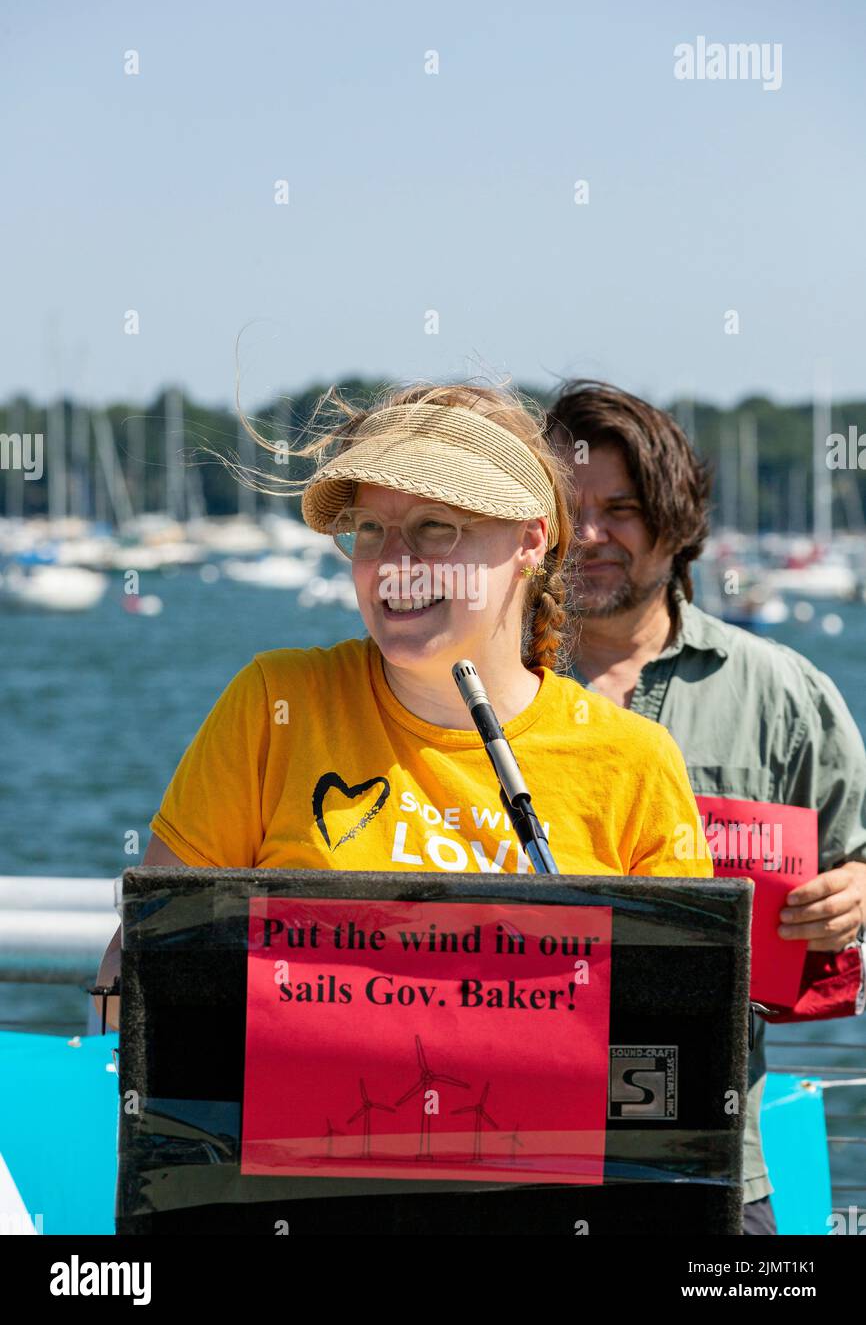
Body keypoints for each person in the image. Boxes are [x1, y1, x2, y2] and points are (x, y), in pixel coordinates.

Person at [94, 381, 712, 1028]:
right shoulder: (276, 705)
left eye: (434, 529)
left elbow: (680, 1029)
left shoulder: (632, 762)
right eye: (369, 530)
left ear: (531, 540)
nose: (394, 563)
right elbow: (142, 955)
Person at [546, 378, 866, 1236]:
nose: (592, 535)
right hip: (507, 1152)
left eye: (621, 508)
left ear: (675, 518)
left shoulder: (784, 691)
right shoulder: (475, 693)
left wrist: (858, 896)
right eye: (569, 510)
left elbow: (860, 853)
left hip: (719, 1160)